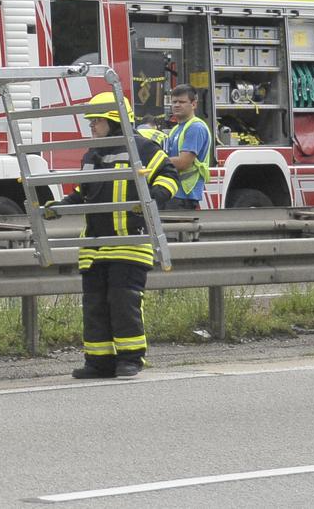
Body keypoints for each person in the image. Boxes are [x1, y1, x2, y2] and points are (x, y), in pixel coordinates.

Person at [45, 92, 179, 380]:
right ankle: (99, 361)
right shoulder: (92, 155)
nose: (91, 127)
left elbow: (169, 177)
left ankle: (130, 358)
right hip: (94, 247)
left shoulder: (143, 149)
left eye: (97, 121)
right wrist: (57, 208)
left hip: (129, 243)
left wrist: (151, 201)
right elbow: (83, 194)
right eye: (91, 121)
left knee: (123, 302)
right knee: (94, 305)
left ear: (115, 121)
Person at [164, 84, 211, 210]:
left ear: (194, 104)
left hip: (184, 194)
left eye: (182, 102)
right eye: (174, 102)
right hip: (174, 191)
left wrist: (156, 163)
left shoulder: (195, 127)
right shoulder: (175, 130)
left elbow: (183, 163)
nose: (177, 105)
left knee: (177, 229)